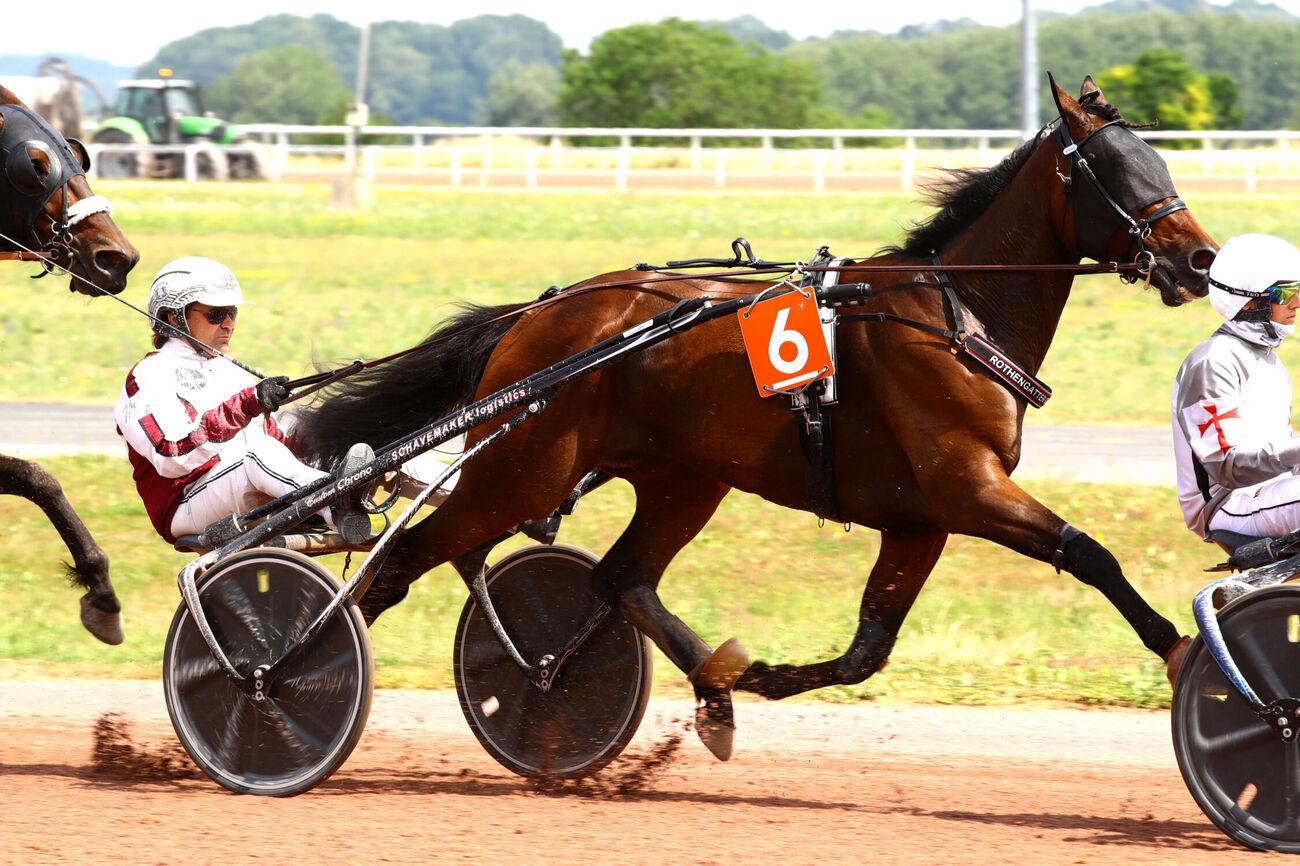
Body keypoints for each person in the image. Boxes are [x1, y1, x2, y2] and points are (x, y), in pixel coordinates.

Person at [114, 256, 374, 546]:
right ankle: (336, 503)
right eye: (216, 314)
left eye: (232, 313)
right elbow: (171, 456)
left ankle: (428, 495)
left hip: (240, 485)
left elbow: (276, 442)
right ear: (175, 318)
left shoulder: (226, 369)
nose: (228, 324)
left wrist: (330, 432)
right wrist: (245, 405)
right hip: (184, 503)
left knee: (359, 443)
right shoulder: (149, 375)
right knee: (256, 453)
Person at [1172, 233, 1300, 543]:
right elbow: (1229, 468)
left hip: (1267, 493)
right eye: (1285, 293)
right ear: (1248, 301)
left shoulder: (1270, 363)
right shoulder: (1213, 361)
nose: (1296, 302)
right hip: (1227, 504)